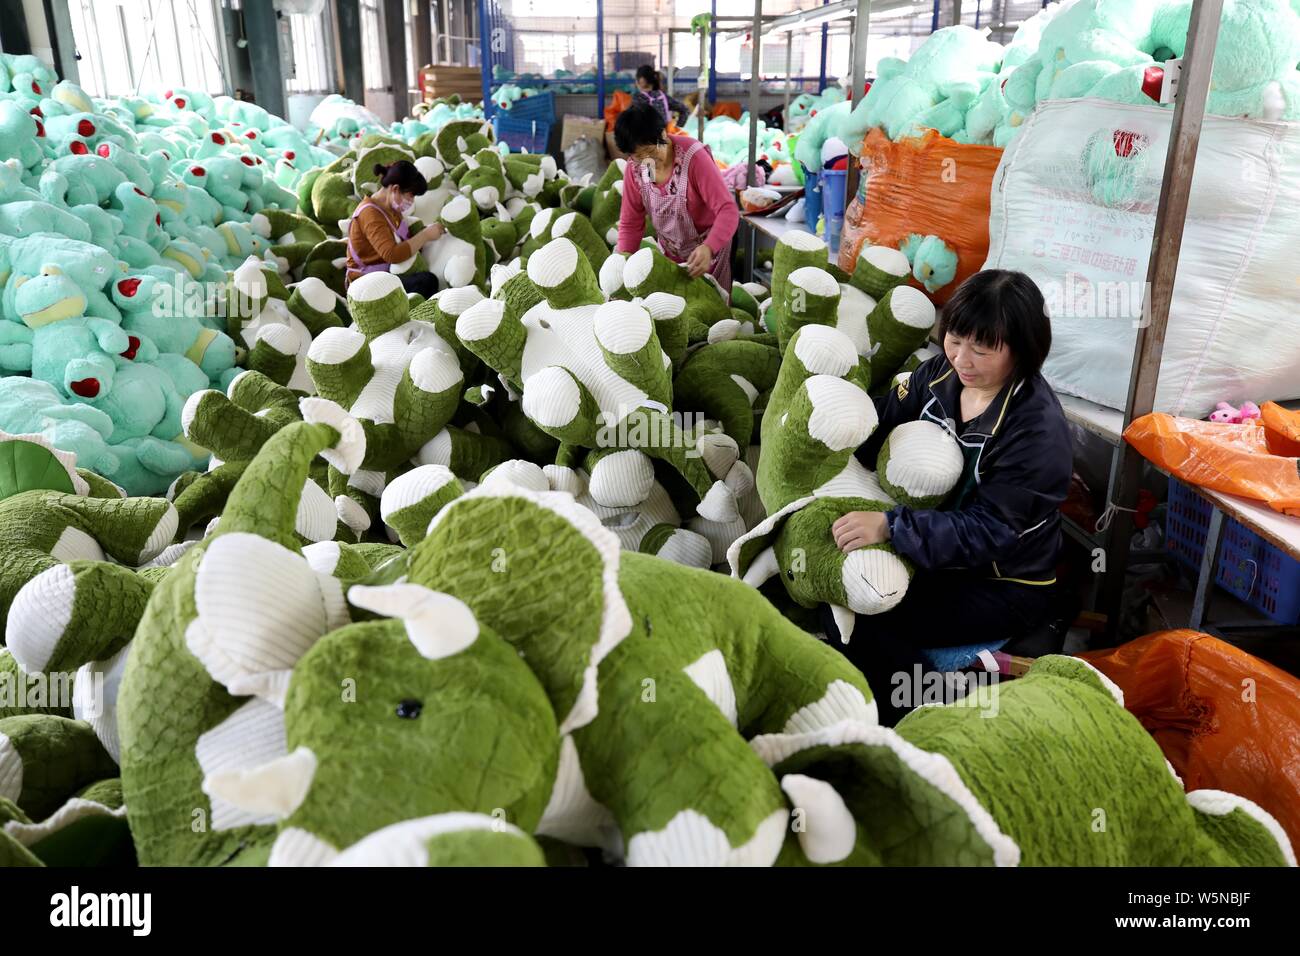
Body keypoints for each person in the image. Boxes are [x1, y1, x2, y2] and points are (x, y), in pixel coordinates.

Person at [824, 270, 1072, 725]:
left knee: (871, 607)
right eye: (956, 339)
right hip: (934, 552)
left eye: (983, 348)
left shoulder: (1036, 432)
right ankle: (854, 704)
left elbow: (991, 531)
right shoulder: (939, 374)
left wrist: (892, 526)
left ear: (1023, 349)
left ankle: (920, 720)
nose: (963, 358)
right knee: (834, 582)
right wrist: (828, 424)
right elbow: (882, 418)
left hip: (1000, 581)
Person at [613, 102, 740, 293]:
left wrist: (708, 247)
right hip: (671, 252)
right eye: (639, 156)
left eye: (651, 151)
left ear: (663, 134)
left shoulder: (693, 158)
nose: (649, 161)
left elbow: (728, 210)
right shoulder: (637, 168)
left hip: (710, 253)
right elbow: (631, 223)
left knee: (713, 311)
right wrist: (623, 264)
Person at [345, 160, 445, 297]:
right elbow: (392, 254)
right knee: (426, 281)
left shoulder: (391, 209)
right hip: (366, 284)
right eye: (411, 195)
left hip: (386, 273)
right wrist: (425, 235)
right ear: (395, 189)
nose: (412, 201)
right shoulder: (370, 214)